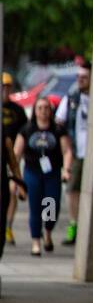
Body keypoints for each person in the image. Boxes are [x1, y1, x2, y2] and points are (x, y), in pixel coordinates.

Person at [13, 95, 72, 256]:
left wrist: (66, 169)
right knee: (35, 207)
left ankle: (47, 231)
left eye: (46, 108)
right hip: (32, 173)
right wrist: (15, 177)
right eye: (40, 108)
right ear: (35, 111)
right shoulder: (27, 129)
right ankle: (35, 242)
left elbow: (66, 151)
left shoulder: (58, 130)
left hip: (52, 173)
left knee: (51, 204)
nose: (43, 111)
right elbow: (16, 154)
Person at [54, 62, 92, 246]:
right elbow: (59, 124)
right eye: (79, 77)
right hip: (77, 152)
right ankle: (74, 226)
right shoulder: (71, 99)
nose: (80, 81)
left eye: (84, 77)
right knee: (72, 191)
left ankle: (88, 227)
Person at [1, 73, 27, 256]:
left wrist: (19, 180)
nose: (5, 90)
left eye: (7, 86)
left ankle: (8, 227)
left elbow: (23, 135)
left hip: (12, 161)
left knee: (11, 194)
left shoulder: (18, 111)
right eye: (3, 86)